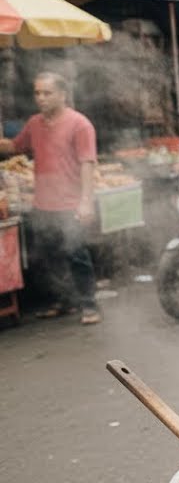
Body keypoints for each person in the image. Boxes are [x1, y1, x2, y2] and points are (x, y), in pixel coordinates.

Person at [0, 72, 102, 325]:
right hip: (43, 203)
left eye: (47, 93)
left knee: (76, 255)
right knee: (50, 256)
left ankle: (90, 306)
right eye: (37, 93)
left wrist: (86, 201)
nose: (41, 98)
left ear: (62, 94)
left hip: (70, 202)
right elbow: (14, 147)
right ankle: (64, 301)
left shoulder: (80, 124)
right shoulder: (35, 123)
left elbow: (87, 164)